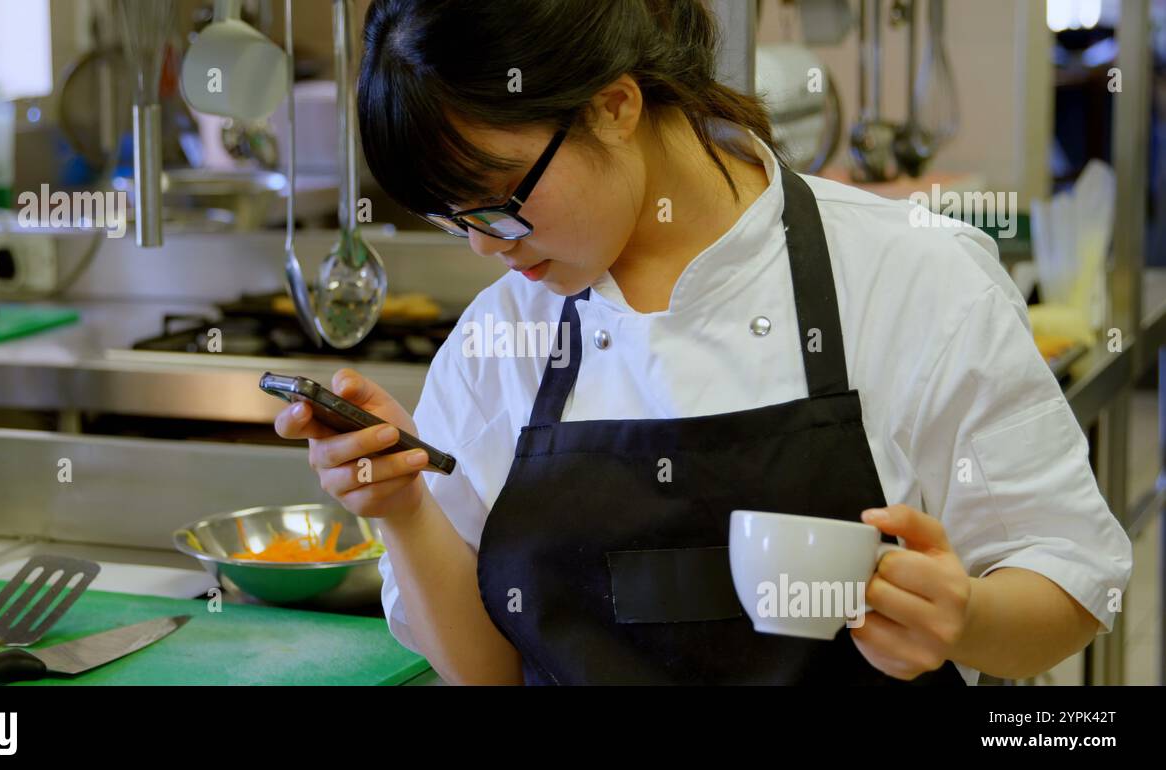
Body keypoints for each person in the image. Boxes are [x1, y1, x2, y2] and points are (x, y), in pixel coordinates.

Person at [275, 0, 1132, 685]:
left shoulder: (911, 275)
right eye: (451, 218)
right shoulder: (500, 339)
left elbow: (1074, 580)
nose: (485, 246)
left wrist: (969, 619)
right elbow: (489, 671)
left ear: (614, 104)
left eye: (499, 201)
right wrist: (400, 509)